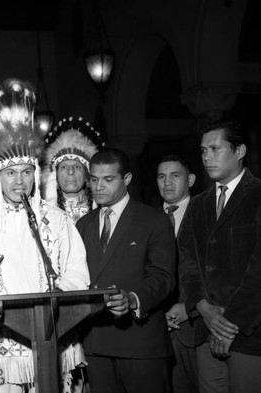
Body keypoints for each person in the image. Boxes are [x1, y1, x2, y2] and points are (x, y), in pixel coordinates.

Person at [0, 78, 90, 393]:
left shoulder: (57, 220)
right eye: (11, 173)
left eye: (26, 172)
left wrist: (54, 316)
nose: (20, 181)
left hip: (52, 339)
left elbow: (78, 275)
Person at [76, 147, 176, 393]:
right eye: (94, 179)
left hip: (140, 343)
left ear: (127, 179)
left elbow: (163, 276)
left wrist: (133, 298)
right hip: (95, 343)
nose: (99, 186)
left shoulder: (153, 220)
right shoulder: (83, 224)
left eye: (108, 179)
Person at [178, 120, 261, 393]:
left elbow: (259, 269)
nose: (206, 157)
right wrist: (202, 307)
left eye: (215, 148)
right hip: (206, 327)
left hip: (250, 332)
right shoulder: (198, 204)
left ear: (240, 151)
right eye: (203, 151)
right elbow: (187, 261)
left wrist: (229, 325)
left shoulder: (258, 194)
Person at [156, 154, 199, 393]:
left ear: (190, 179)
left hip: (196, 328)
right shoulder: (147, 220)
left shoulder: (205, 213)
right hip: (158, 331)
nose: (167, 182)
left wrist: (190, 308)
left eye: (175, 175)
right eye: (161, 176)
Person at [42, 116, 102, 223]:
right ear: (55, 176)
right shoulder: (40, 210)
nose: (70, 171)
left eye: (77, 167)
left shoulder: (103, 210)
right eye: (64, 167)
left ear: (86, 176)